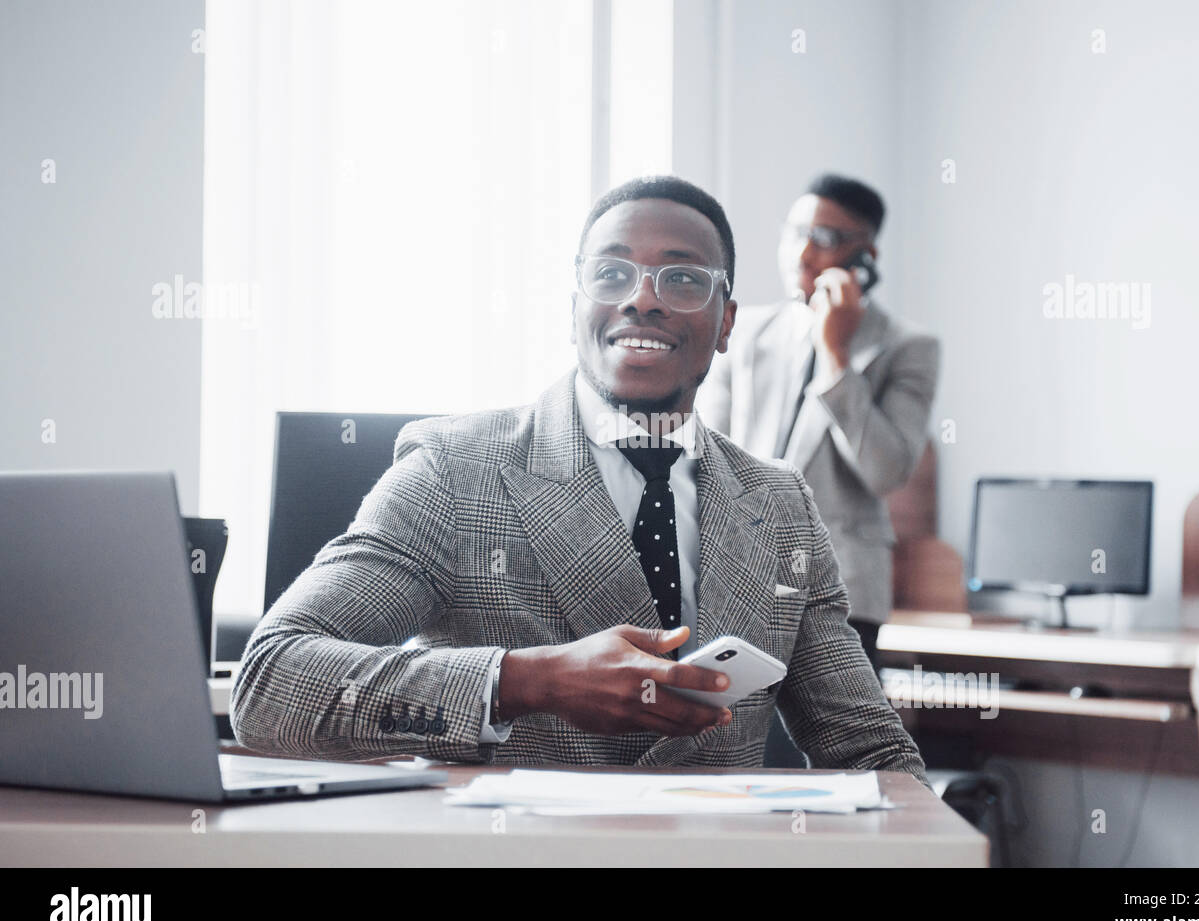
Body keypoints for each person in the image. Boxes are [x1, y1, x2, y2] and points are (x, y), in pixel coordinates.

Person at [230, 175, 927, 785]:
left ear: (726, 325)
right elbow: (269, 683)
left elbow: (872, 752)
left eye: (682, 279)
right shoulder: (455, 469)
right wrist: (526, 681)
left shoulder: (782, 507)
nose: (643, 300)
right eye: (611, 274)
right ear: (573, 308)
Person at [697, 173, 940, 669]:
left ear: (866, 256)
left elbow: (886, 471)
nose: (802, 253)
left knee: (831, 744)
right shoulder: (743, 335)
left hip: (843, 592)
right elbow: (706, 459)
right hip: (740, 581)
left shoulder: (908, 346)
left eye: (825, 239)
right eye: (795, 232)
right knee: (735, 742)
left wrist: (835, 357)